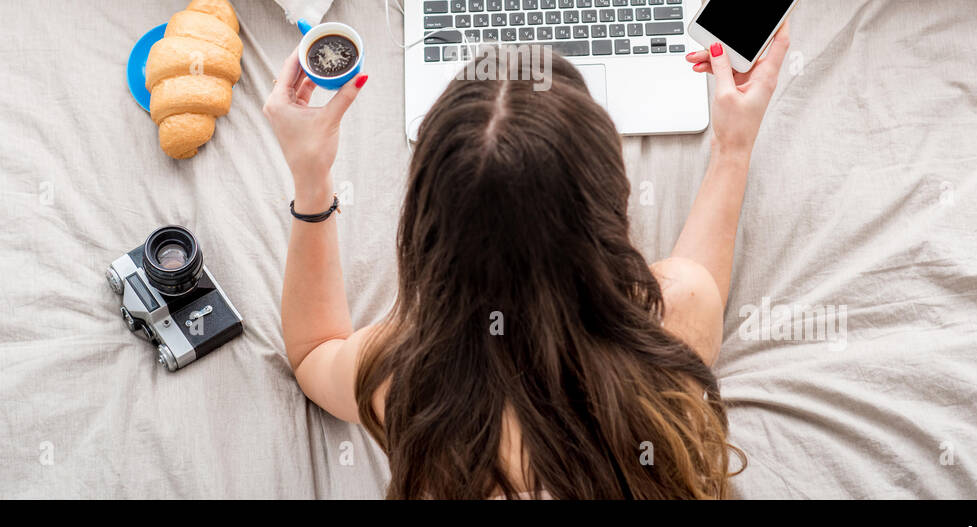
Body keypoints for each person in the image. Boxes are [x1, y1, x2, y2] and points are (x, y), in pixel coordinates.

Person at [264, 25, 790, 499]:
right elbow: (695, 296)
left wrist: (311, 180)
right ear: (608, 204)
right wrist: (733, 146)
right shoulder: (674, 318)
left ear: (426, 231)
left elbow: (313, 355)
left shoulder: (400, 376)